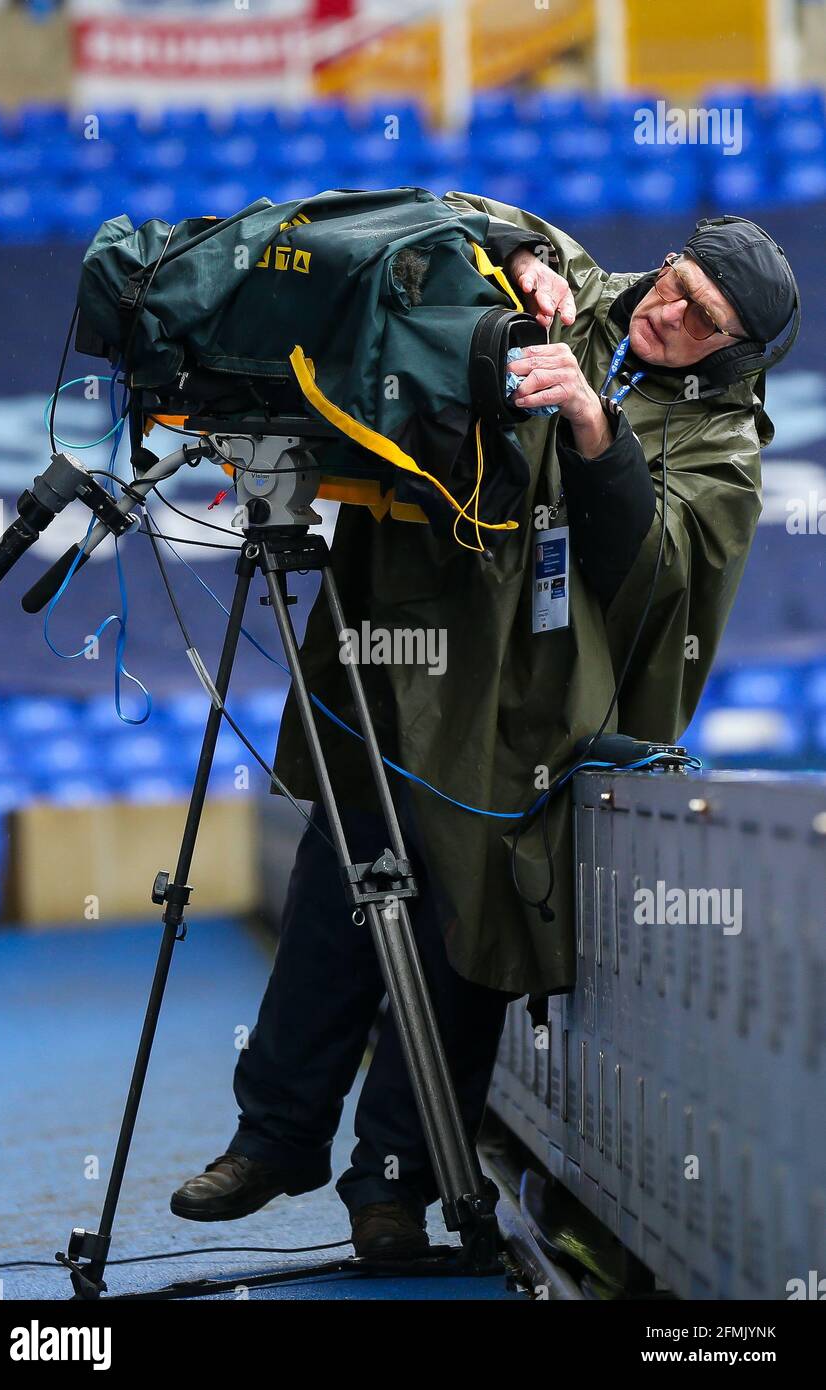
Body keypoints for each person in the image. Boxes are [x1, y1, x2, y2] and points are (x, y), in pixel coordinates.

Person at [171, 199, 797, 1257]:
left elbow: (657, 587)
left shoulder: (722, 441)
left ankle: (394, 1181)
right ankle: (274, 1138)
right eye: (675, 283)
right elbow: (451, 213)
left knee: (466, 937)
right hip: (404, 656)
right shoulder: (579, 291)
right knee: (337, 888)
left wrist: (596, 435)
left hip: (527, 716)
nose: (666, 313)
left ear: (733, 355)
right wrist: (514, 256)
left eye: (700, 321)